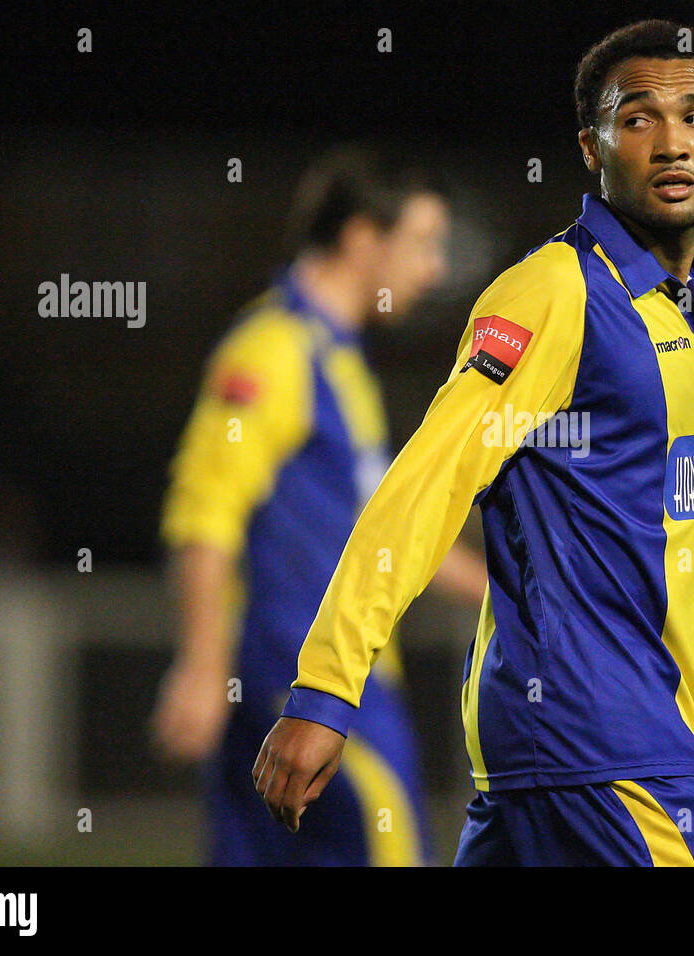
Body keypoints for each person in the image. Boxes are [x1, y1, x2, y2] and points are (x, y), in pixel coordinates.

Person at [253, 20, 694, 866]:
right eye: (637, 119)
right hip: (609, 754)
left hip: (554, 758)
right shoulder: (553, 294)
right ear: (591, 149)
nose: (671, 142)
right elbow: (424, 488)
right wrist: (327, 689)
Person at [152, 144, 487, 865]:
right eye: (424, 243)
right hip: (309, 692)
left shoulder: (335, 360)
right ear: (363, 236)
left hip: (310, 688)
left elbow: (383, 534)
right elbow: (203, 513)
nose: (432, 270)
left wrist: (512, 593)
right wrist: (203, 666)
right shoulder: (274, 350)